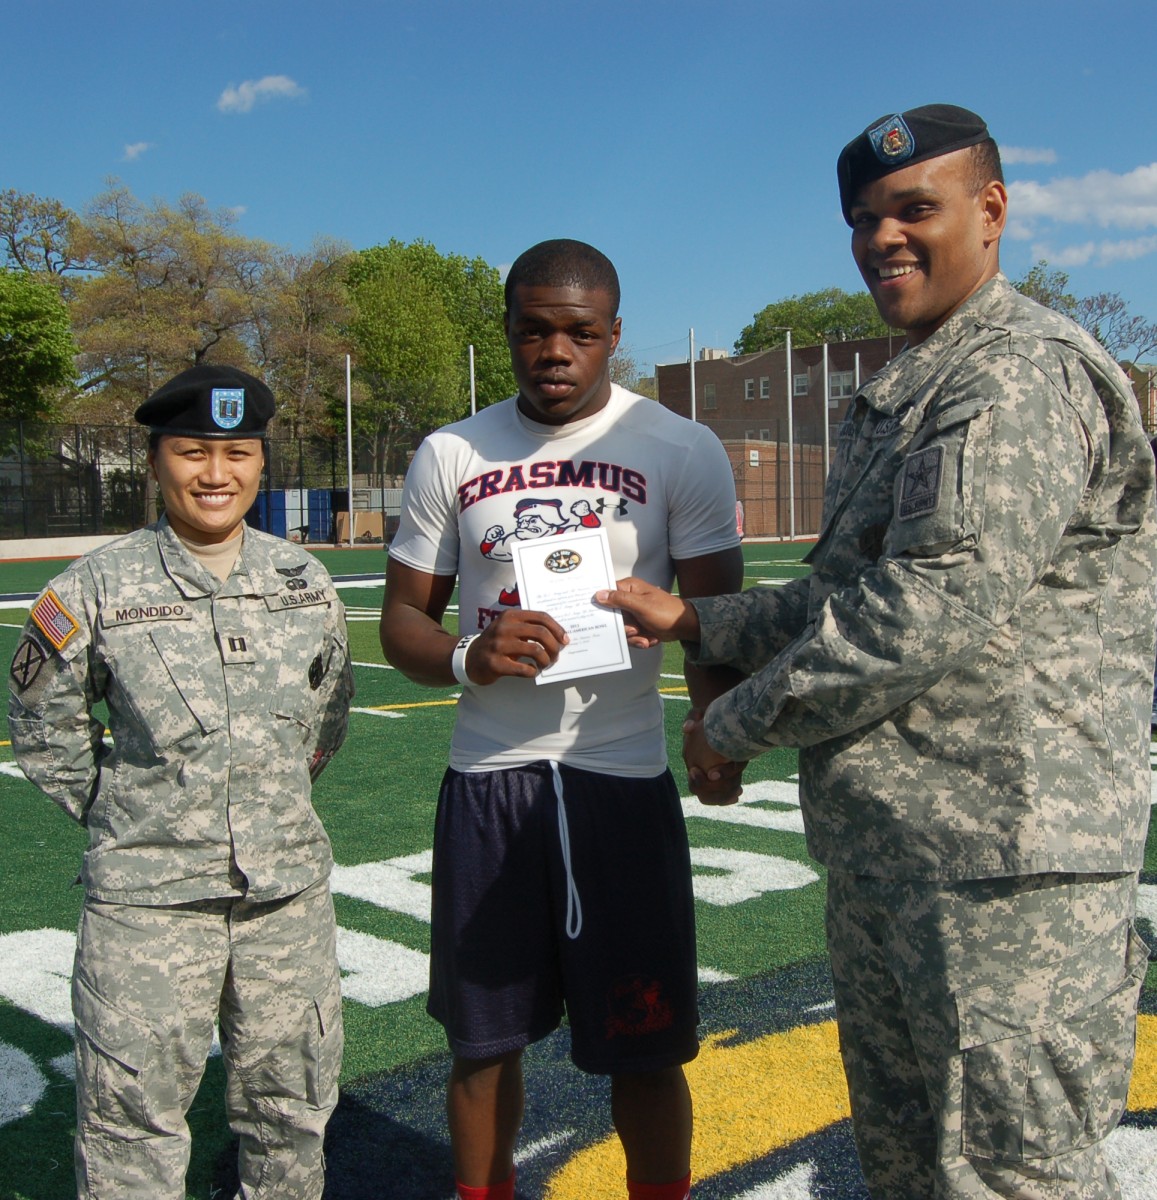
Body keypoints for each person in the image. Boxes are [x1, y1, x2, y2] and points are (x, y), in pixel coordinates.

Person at [598, 105, 1157, 1199]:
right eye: (864, 220)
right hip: (899, 850)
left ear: (990, 211)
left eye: (915, 210)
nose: (881, 240)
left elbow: (930, 604)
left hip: (1003, 861)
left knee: (1008, 1174)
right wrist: (700, 624)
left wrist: (735, 721)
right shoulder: (913, 382)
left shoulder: (1012, 376)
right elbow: (847, 589)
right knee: (906, 1164)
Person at [380, 239, 743, 1200]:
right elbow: (399, 624)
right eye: (534, 331)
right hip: (488, 779)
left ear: (613, 336)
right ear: (506, 334)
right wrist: (469, 654)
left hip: (619, 779)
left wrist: (714, 729)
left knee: (645, 1043)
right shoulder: (451, 452)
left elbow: (720, 622)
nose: (555, 352)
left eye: (579, 334)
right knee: (482, 1041)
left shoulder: (680, 447)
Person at [8, 365, 354, 1200]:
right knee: (131, 1128)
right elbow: (38, 719)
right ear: (157, 461)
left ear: (260, 466)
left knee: (292, 1114)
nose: (214, 474)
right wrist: (118, 811)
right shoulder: (91, 588)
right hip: (147, 907)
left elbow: (327, 709)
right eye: (192, 452)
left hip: (285, 904)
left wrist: (272, 798)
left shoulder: (304, 583)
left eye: (236, 454)